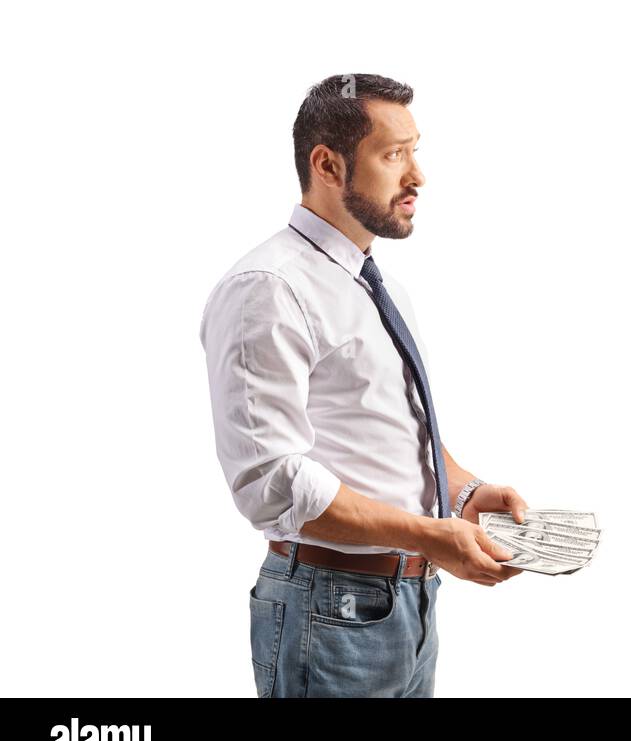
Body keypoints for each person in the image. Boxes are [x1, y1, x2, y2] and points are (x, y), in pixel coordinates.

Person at [199, 73, 526, 698]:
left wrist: (465, 493)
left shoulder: (372, 284)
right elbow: (270, 482)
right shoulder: (269, 287)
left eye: (415, 149)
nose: (417, 177)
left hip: (408, 602)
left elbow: (388, 434)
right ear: (327, 164)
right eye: (392, 154)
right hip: (332, 610)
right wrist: (427, 533)